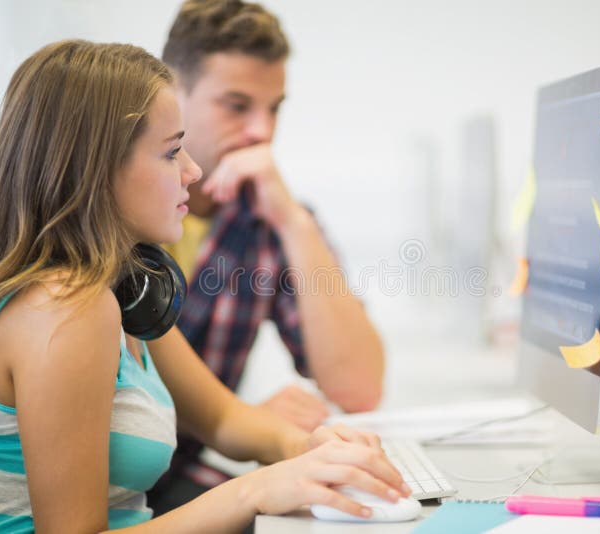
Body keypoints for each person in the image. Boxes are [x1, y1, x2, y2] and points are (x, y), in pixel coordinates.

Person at [0, 40, 409, 533]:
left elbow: (220, 417)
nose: (192, 171)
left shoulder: (122, 289)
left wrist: (309, 449)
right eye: (171, 152)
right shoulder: (68, 310)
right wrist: (255, 491)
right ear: (98, 172)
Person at [151, 0, 387, 509]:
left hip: (186, 478)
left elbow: (360, 388)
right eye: (237, 105)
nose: (263, 131)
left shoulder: (268, 217)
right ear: (172, 92)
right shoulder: (124, 213)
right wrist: (247, 416)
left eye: (274, 107)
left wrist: (293, 222)